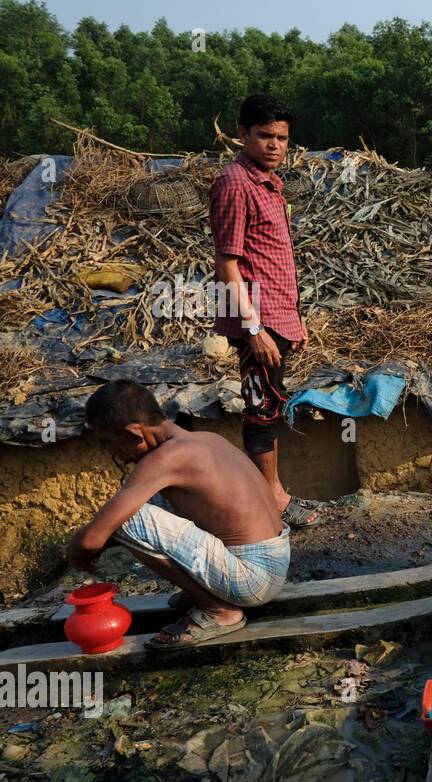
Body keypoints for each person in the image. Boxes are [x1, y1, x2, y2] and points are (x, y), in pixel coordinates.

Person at [62, 380, 291, 649]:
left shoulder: (164, 460)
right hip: (274, 562)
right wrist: (103, 540)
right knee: (142, 504)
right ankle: (209, 591)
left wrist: (76, 551)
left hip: (251, 578)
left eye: (109, 444)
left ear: (134, 435)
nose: (112, 454)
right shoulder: (207, 439)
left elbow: (90, 539)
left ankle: (217, 609)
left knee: (129, 518)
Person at [209, 92, 322, 529]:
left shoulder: (269, 185)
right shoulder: (234, 184)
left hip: (277, 316)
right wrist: (253, 327)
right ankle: (271, 501)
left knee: (271, 401)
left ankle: (271, 496)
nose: (274, 145)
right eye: (264, 136)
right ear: (241, 134)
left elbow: (273, 258)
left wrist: (294, 319)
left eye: (282, 137)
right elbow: (227, 264)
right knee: (261, 406)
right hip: (256, 320)